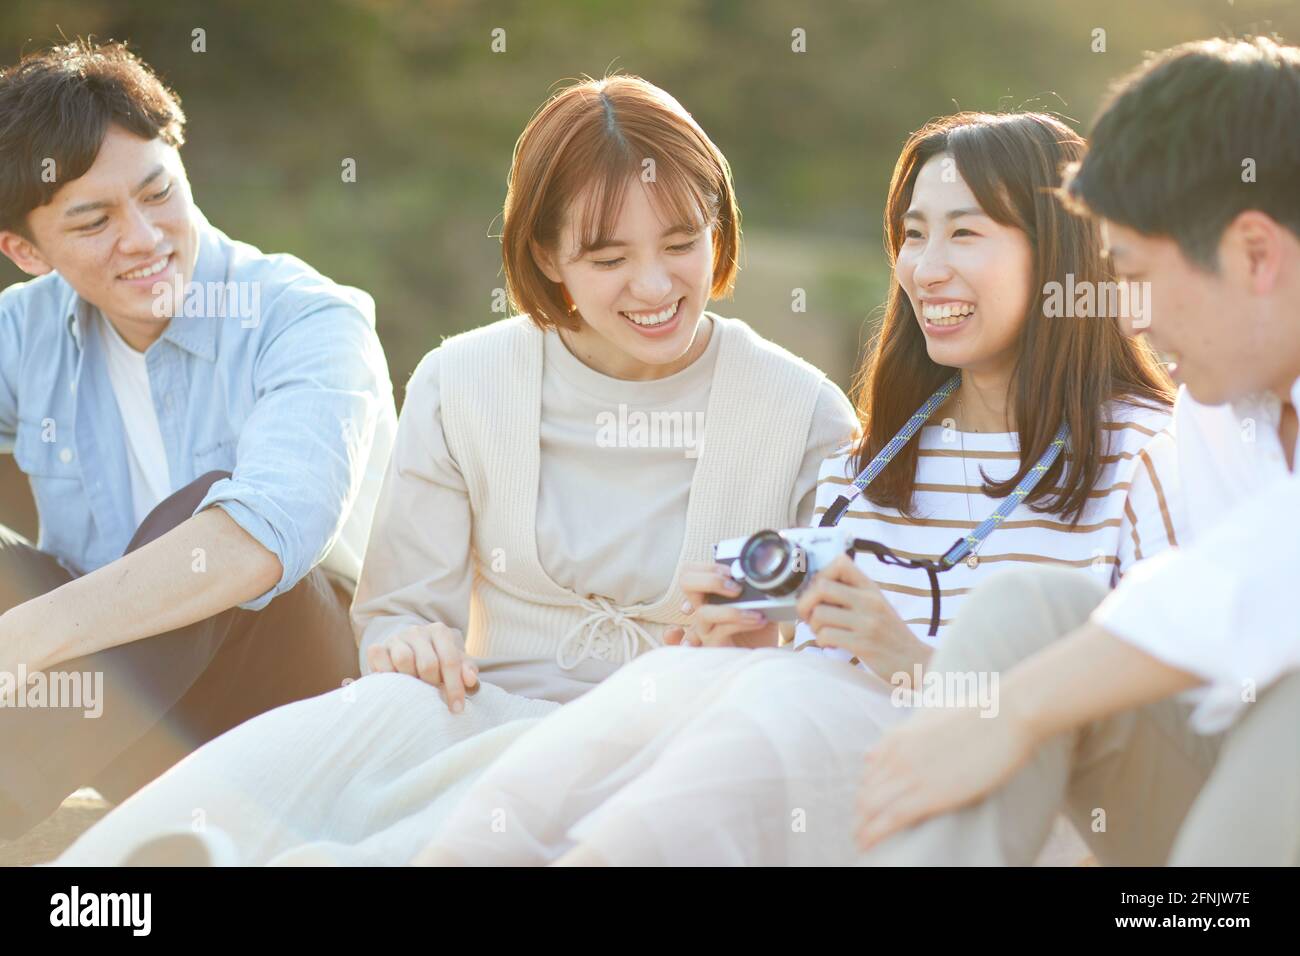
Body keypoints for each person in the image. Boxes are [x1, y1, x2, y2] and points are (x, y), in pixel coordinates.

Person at [55, 73, 858, 865]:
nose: (655, 286)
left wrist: (758, 641)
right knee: (333, 739)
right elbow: (400, 612)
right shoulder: (464, 380)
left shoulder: (803, 414)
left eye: (682, 244)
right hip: (474, 713)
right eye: (609, 257)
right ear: (546, 255)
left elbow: (835, 670)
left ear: (719, 227)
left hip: (675, 742)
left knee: (486, 818)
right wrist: (410, 644)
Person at [412, 110, 1181, 866]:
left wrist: (913, 663)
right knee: (687, 678)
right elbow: (823, 676)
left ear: (1057, 257)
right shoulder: (871, 459)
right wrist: (761, 639)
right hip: (836, 770)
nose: (925, 266)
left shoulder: (1149, 452)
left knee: (761, 719)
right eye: (913, 234)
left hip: (1006, 804)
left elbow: (1146, 734)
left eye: (965, 233)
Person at [852, 35, 1300, 867]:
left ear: (1255, 254)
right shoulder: (1214, 417)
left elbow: (1268, 573)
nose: (1127, 317)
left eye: (1134, 272)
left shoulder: (1158, 436)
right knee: (1027, 611)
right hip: (1208, 800)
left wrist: (1012, 711)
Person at [0, 40, 396, 838]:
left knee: (204, 523)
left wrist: (20, 638)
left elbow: (261, 541)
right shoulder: (25, 330)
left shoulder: (308, 318)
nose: (144, 238)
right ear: (26, 252)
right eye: (94, 221)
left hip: (302, 704)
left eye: (158, 194)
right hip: (121, 718)